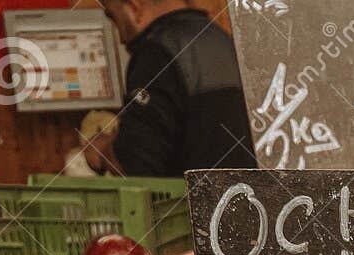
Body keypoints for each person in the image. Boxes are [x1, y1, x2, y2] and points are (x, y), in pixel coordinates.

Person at [95, 0, 255, 176]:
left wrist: (102, 152)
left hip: (188, 200)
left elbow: (137, 161)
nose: (121, 39)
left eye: (114, 17)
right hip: (243, 195)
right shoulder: (223, 39)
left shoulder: (156, 54)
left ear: (135, 7)